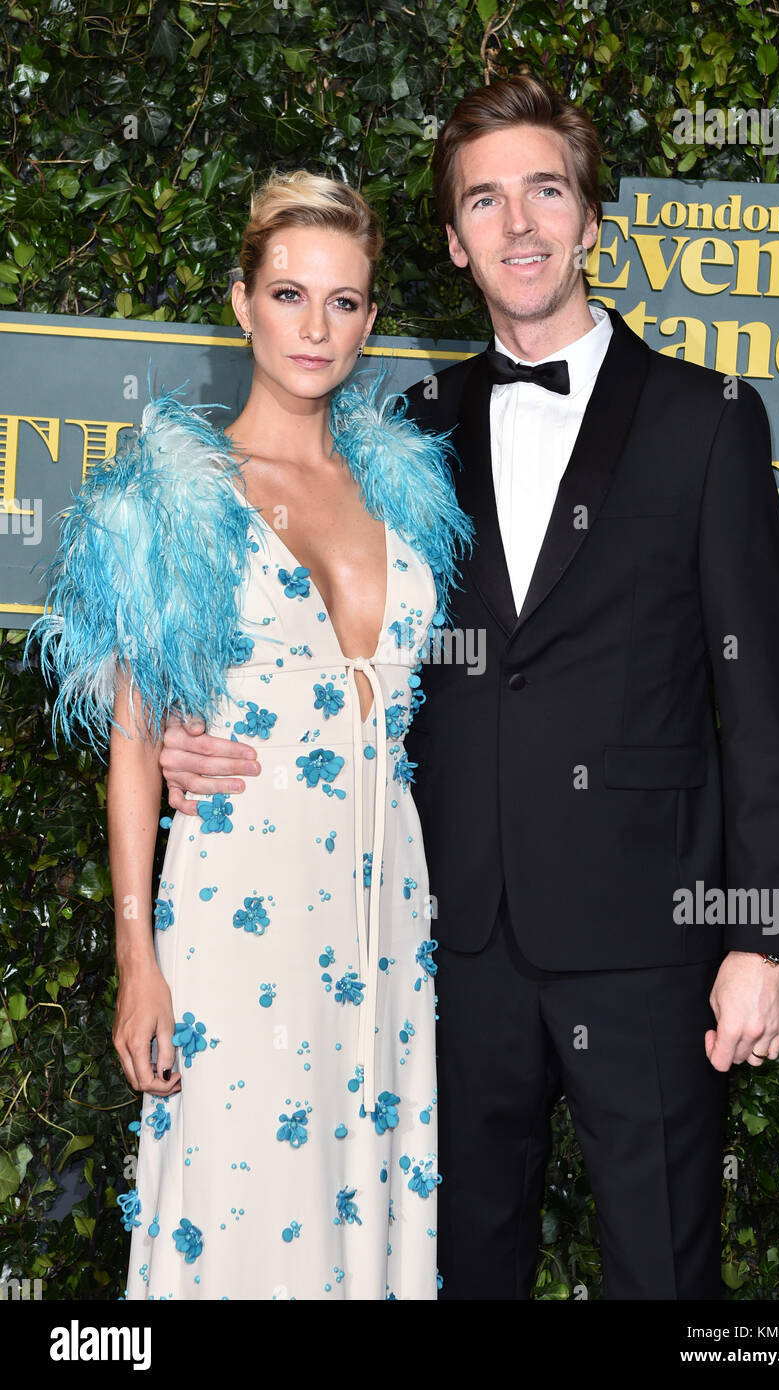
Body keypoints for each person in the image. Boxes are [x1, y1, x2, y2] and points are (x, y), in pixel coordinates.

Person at [156, 78, 779, 1300]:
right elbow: (323, 641)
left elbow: (762, 701)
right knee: (454, 1275)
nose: (519, 225)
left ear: (589, 219)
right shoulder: (404, 435)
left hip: (650, 945)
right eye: (484, 201)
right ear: (454, 242)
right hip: (443, 949)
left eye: (544, 191)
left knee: (665, 1281)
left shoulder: (704, 419)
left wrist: (762, 935)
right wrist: (193, 730)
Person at [25, 169, 472, 1300]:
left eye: (345, 301)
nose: (315, 328)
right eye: (289, 294)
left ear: (372, 317)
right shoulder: (172, 496)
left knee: (365, 1204)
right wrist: (138, 960)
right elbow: (135, 743)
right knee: (240, 1215)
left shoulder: (405, 494)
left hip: (386, 918)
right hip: (239, 913)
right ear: (241, 302)